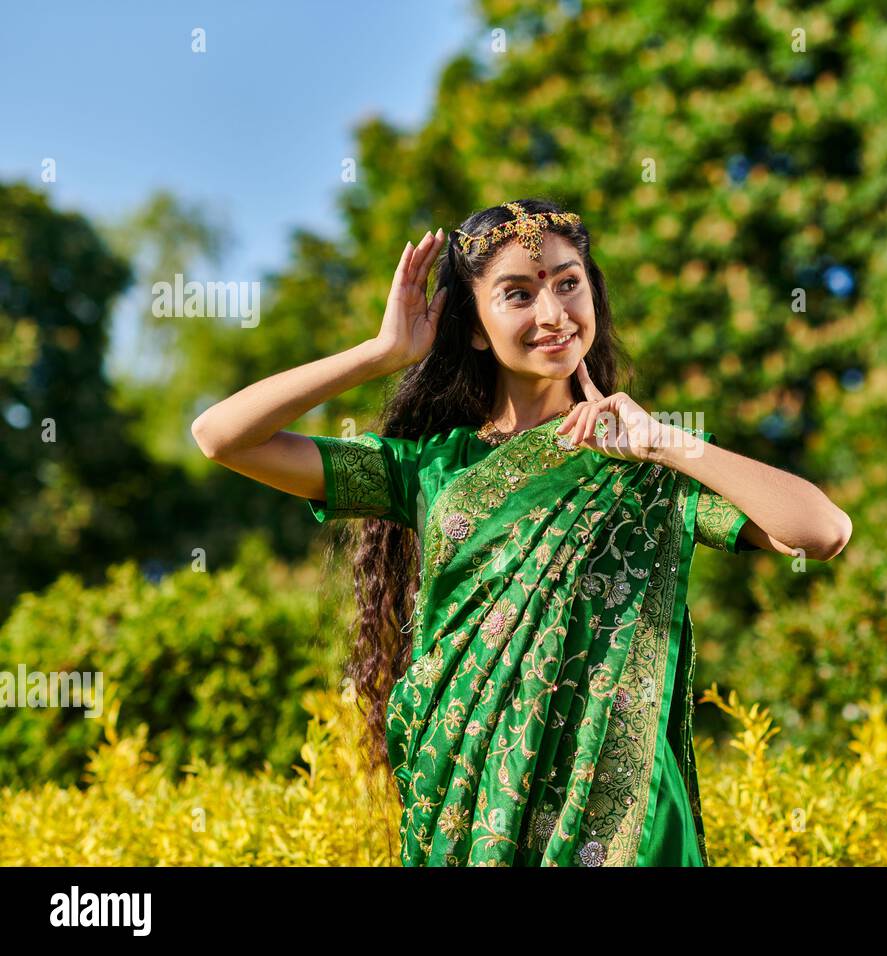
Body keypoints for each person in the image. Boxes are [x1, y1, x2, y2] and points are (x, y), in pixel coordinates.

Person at [191, 198, 852, 866]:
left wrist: (667, 444)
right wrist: (381, 353)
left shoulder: (645, 467)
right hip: (469, 810)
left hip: (623, 829)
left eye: (569, 283)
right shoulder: (430, 468)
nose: (553, 313)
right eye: (518, 294)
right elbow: (221, 437)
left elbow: (821, 531)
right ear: (476, 329)